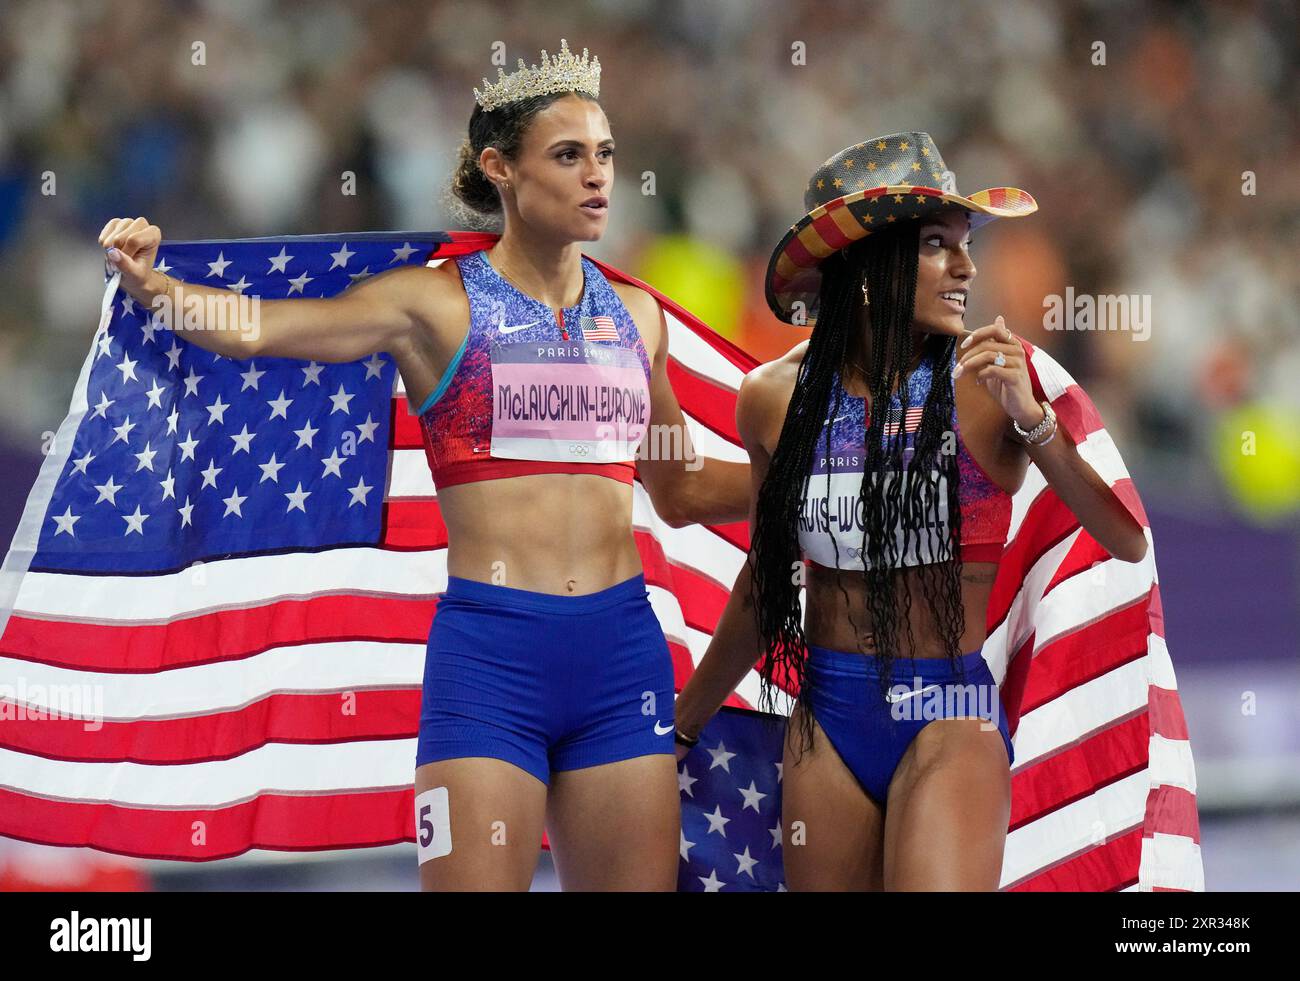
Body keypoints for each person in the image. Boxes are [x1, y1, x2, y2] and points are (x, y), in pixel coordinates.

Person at [97, 39, 749, 891]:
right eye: (568, 155)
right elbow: (263, 329)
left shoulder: (638, 316)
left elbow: (681, 487)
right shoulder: (433, 304)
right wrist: (154, 287)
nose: (597, 176)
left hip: (622, 657)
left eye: (606, 154)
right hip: (491, 663)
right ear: (500, 169)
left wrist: (815, 475)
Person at [672, 132, 1148, 890]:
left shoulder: (989, 384)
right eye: (937, 245)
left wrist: (1035, 423)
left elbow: (1125, 540)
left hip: (950, 710)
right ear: (868, 264)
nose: (967, 267)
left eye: (966, 246)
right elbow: (765, 584)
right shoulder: (773, 399)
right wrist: (683, 725)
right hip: (826, 716)